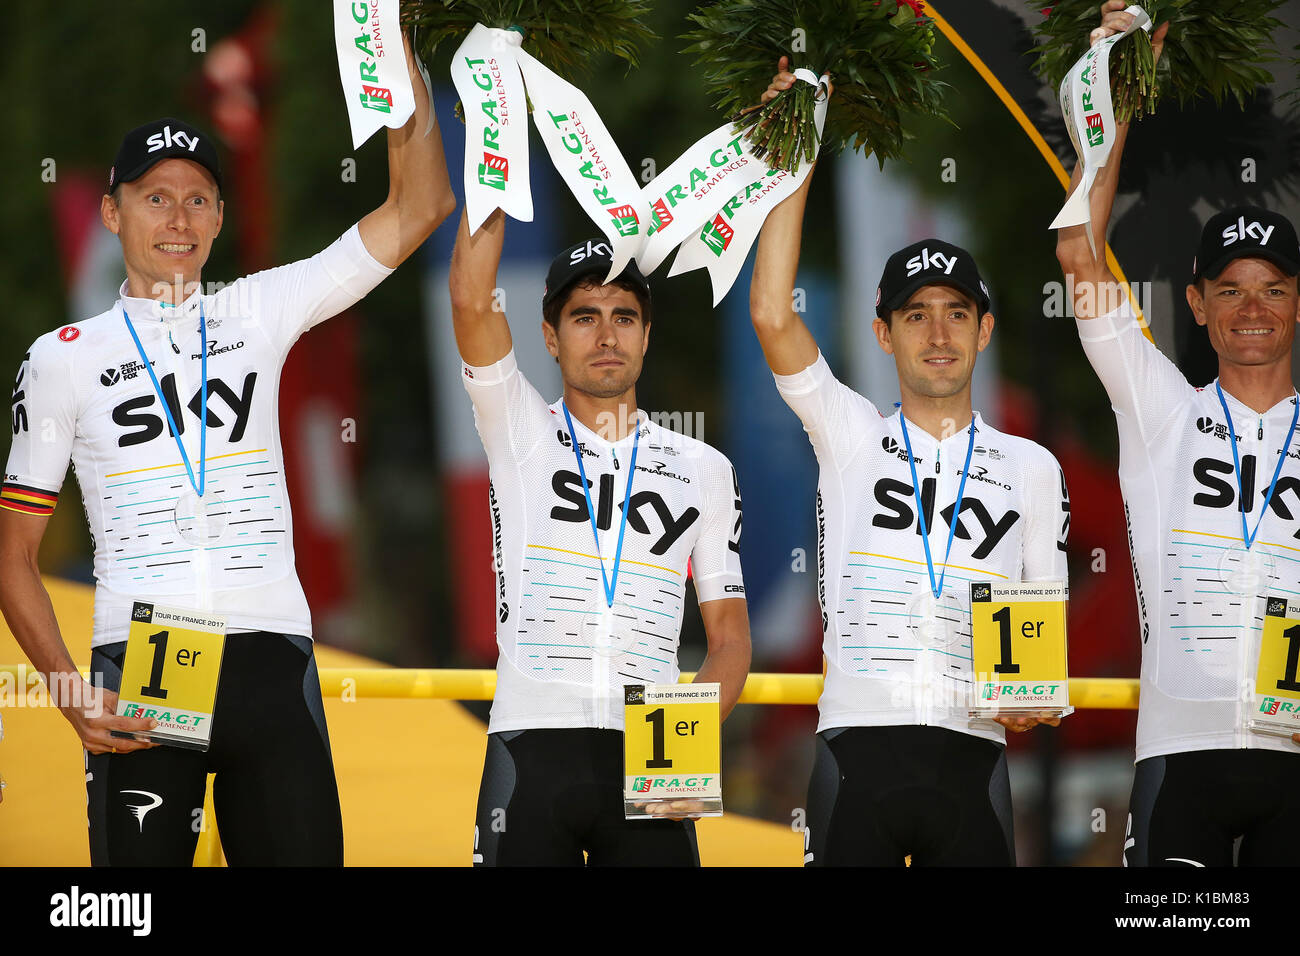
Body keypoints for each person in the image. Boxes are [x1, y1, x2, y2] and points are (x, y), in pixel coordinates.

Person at [0, 32, 455, 865]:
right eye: (154, 197)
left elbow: (418, 207)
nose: (178, 218)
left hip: (271, 656)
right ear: (112, 212)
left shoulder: (259, 310)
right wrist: (69, 694)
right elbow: (14, 556)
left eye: (199, 198)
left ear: (220, 216)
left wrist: (399, 61)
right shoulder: (61, 355)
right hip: (140, 656)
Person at [751, 62, 1070, 867]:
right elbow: (769, 310)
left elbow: (1041, 637)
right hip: (857, 751)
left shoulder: (1032, 466)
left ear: (984, 332)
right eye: (915, 316)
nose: (937, 334)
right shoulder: (849, 431)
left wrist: (1034, 696)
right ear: (883, 333)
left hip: (973, 756)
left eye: (956, 314)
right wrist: (797, 154)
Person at [1058, 1, 1300, 867]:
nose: (1252, 309)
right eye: (1229, 289)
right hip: (1179, 762)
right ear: (1195, 305)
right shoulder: (1158, 403)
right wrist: (1114, 91)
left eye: (1273, 287)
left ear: (1298, 304)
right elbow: (1081, 257)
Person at [448, 208, 752, 866]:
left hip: (652, 749)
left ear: (646, 336)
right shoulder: (519, 429)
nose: (606, 335)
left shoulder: (704, 468)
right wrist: (492, 158)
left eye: (624, 316)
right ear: (551, 339)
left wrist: (687, 730)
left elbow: (729, 639)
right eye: (585, 316)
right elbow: (471, 299)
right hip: (530, 739)